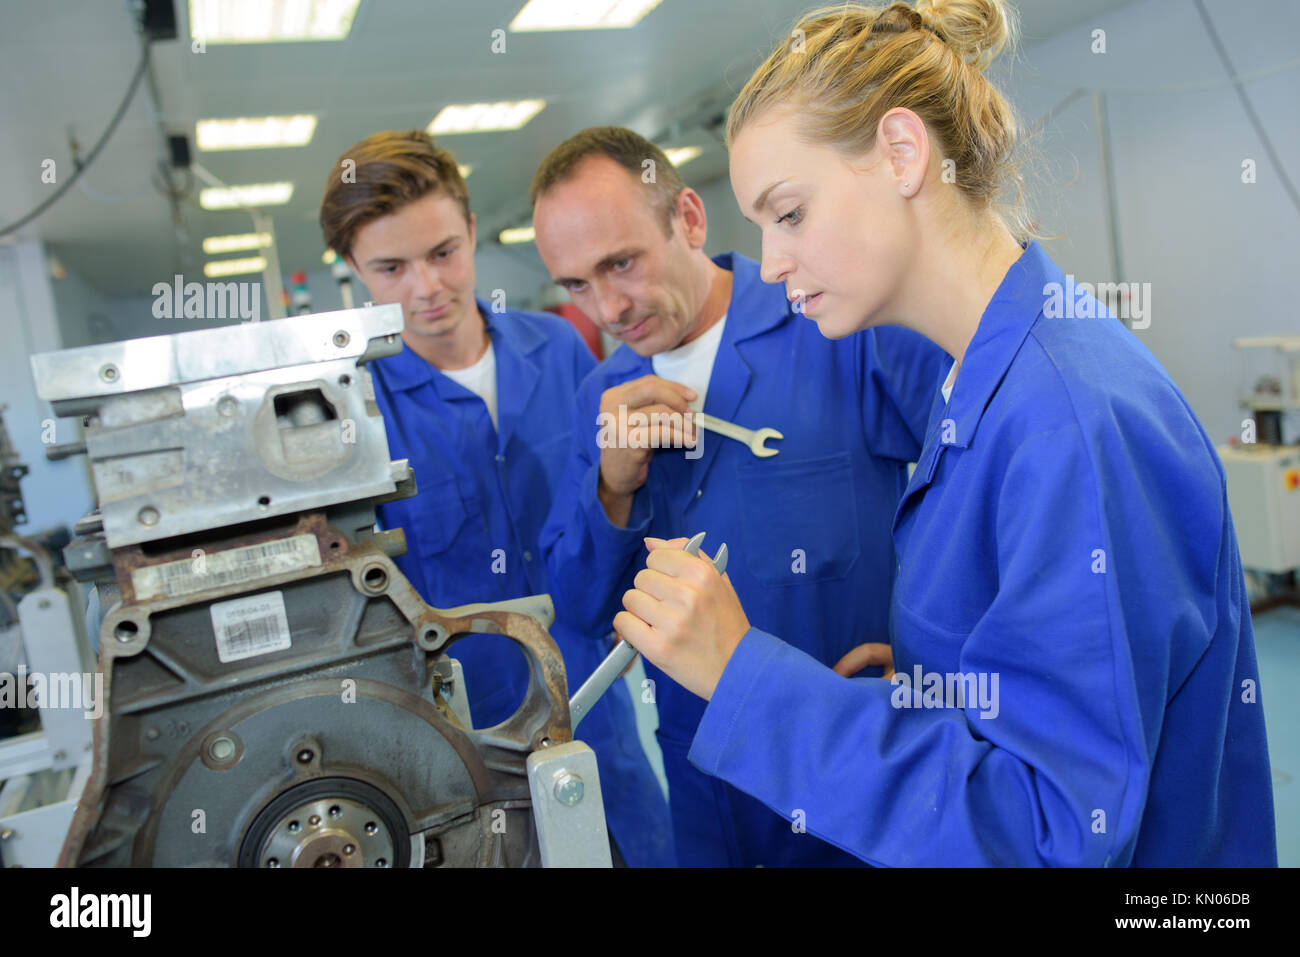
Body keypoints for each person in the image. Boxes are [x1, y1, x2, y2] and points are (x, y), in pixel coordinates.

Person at [614, 0, 1277, 866]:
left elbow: (1053, 835)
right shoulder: (984, 375)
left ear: (901, 153)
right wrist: (950, 680)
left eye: (789, 213)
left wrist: (747, 680)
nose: (770, 265)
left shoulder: (1066, 417)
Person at [533, 126, 948, 866]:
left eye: (620, 263)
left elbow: (982, 490)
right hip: (703, 776)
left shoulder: (838, 325)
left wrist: (939, 665)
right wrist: (612, 484)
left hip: (842, 758)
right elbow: (583, 606)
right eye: (575, 285)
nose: (607, 307)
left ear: (689, 219)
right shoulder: (604, 397)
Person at [318, 131, 673, 866]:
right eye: (390, 267)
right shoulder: (354, 410)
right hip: (462, 740)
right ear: (353, 270)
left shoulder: (563, 349)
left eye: (444, 251)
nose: (426, 287)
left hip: (594, 698)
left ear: (473, 230)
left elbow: (618, 503)